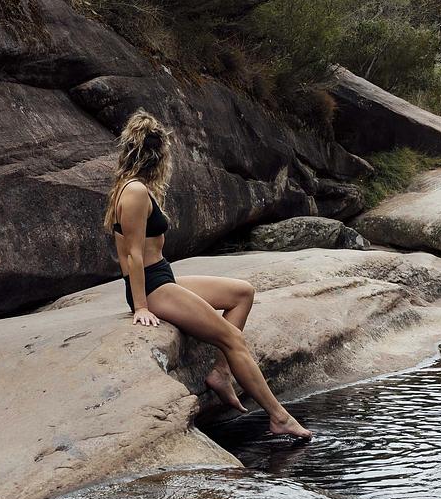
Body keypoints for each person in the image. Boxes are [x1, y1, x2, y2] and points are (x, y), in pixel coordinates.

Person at [102, 108, 312, 439]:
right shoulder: (135, 192)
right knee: (232, 338)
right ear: (156, 155)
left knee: (242, 293)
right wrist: (141, 306)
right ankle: (279, 417)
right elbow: (132, 254)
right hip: (153, 287)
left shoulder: (134, 187)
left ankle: (221, 372)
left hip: (162, 277)